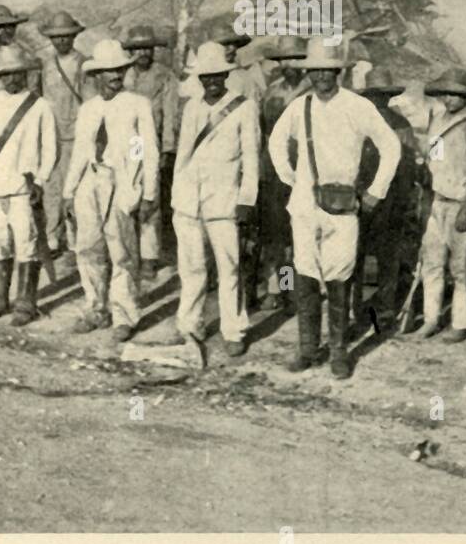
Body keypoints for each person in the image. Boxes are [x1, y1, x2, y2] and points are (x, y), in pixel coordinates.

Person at [269, 37, 400, 379]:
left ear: (339, 71)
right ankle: (307, 349)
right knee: (305, 274)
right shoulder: (300, 107)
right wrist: (290, 178)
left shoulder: (358, 106)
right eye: (315, 70)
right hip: (304, 205)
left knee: (340, 275)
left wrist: (375, 192)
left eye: (328, 70)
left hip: (343, 206)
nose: (321, 76)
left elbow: (391, 146)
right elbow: (276, 142)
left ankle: (339, 352)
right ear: (308, 72)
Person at [62, 39, 159, 341]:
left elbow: (148, 152)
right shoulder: (89, 109)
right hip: (90, 181)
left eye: (120, 69)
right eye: (109, 70)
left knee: (122, 251)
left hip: (121, 183)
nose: (116, 75)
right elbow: (80, 151)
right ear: (96, 75)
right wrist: (69, 191)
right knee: (88, 248)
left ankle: (124, 315)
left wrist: (148, 193)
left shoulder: (137, 105)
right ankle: (96, 308)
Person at [170, 41, 261, 358]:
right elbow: (183, 155)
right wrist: (177, 195)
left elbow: (251, 158)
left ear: (226, 75)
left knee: (229, 268)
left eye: (217, 75)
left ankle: (234, 329)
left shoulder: (243, 107)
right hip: (189, 200)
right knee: (191, 268)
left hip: (224, 200)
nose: (211, 81)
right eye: (205, 76)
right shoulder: (192, 108)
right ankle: (189, 325)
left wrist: (247, 199)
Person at [0, 45, 59, 326]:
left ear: (25, 74)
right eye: (5, 75)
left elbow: (51, 149)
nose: (11, 79)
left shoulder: (40, 106)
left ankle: (26, 302)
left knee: (27, 244)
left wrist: (40, 180)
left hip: (22, 188)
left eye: (16, 74)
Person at [415, 67, 466, 342]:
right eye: (446, 94)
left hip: (460, 203)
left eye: (456, 94)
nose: (450, 99)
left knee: (460, 267)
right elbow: (434, 161)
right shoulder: (437, 122)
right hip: (437, 202)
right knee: (432, 262)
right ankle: (430, 319)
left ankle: (462, 321)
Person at [351, 67, 417, 333]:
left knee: (386, 256)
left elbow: (409, 164)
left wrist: (404, 196)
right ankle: (357, 309)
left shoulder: (401, 125)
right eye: (374, 96)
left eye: (382, 95)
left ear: (389, 97)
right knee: (357, 255)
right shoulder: (356, 122)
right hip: (361, 196)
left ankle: (383, 309)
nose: (378, 101)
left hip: (390, 198)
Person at [122, 24, 180, 280]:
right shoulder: (123, 75)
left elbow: (170, 114)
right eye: (138, 49)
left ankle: (149, 256)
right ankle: (129, 251)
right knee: (128, 194)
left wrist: (167, 148)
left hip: (151, 143)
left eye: (147, 48)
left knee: (151, 198)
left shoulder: (165, 76)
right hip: (127, 144)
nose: (143, 53)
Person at [256, 34, 309, 312]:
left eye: (297, 60)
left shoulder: (313, 92)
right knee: (276, 236)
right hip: (273, 171)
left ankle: (296, 291)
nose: (291, 66)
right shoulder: (272, 91)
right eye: (286, 60)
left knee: (297, 235)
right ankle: (278, 289)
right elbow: (262, 130)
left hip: (303, 171)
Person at [36, 10, 86, 264]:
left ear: (74, 37)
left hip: (75, 136)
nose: (62, 40)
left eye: (66, 36)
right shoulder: (46, 65)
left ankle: (76, 242)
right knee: (51, 188)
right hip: (51, 136)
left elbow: (89, 102)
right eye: (57, 37)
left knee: (74, 189)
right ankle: (53, 238)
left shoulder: (83, 64)